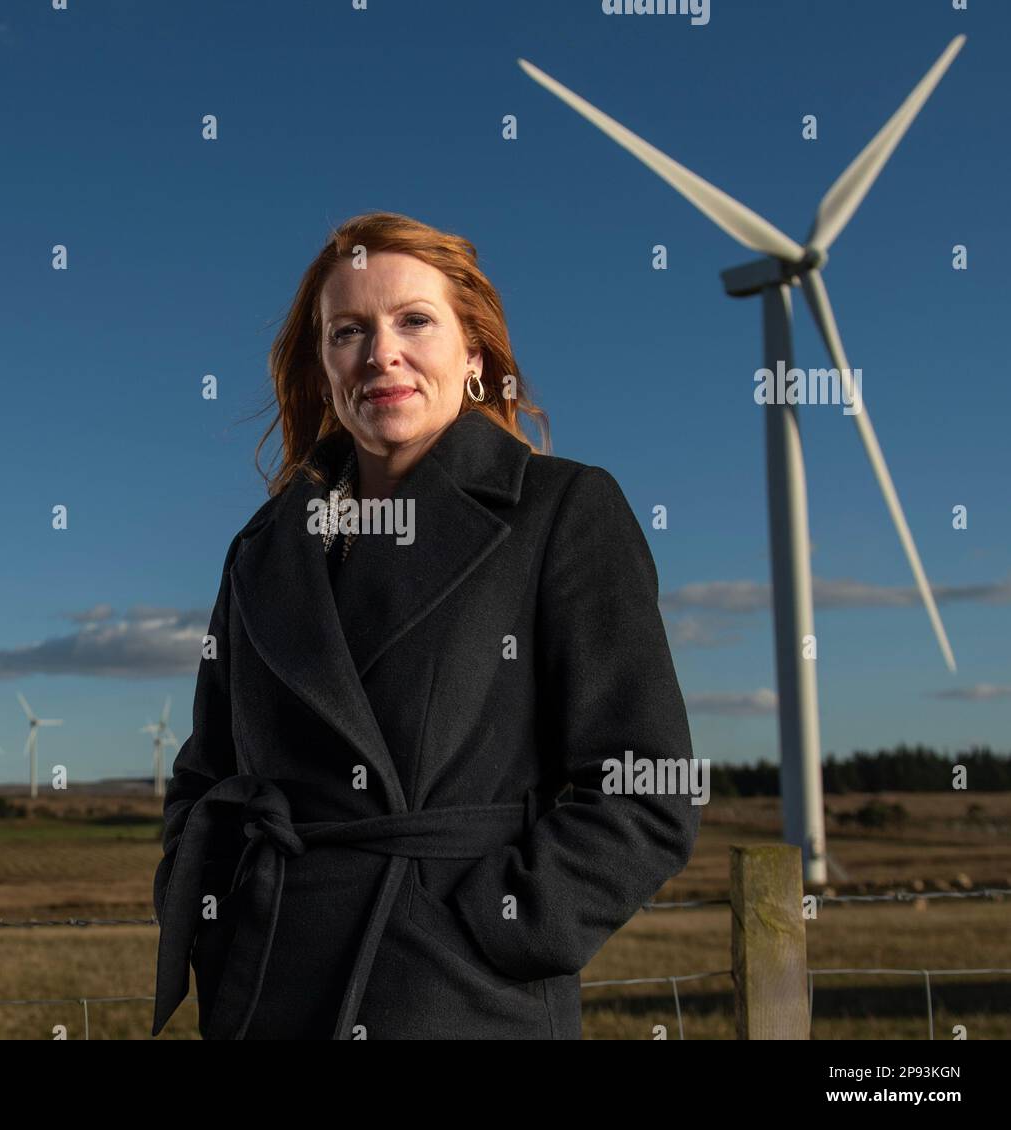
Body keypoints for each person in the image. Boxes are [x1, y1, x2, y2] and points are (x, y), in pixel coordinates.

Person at [151, 210, 700, 1040]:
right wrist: (217, 911)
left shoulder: (562, 512)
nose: (382, 355)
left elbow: (646, 784)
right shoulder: (263, 549)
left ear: (473, 354)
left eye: (414, 321)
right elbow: (205, 767)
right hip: (267, 992)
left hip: (456, 998)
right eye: (348, 332)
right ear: (324, 365)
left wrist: (497, 928)